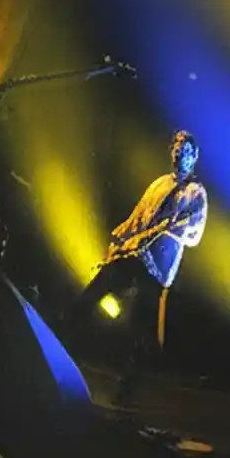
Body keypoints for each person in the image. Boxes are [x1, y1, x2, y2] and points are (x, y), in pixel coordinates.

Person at [65, 130, 208, 407]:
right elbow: (139, 215)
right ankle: (66, 342)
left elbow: (194, 234)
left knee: (141, 327)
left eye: (185, 151)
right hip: (135, 252)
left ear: (194, 156)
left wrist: (170, 228)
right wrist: (122, 237)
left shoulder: (196, 192)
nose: (179, 155)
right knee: (96, 290)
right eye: (176, 149)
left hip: (158, 265)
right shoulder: (159, 184)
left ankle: (128, 390)